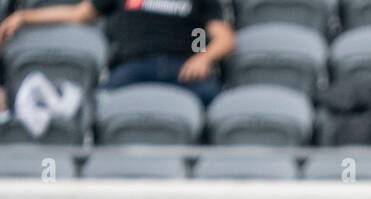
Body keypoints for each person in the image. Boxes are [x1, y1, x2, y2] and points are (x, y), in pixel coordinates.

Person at [0, 0, 235, 107]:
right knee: (99, 107)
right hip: (131, 68)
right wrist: (25, 17)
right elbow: (79, 13)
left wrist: (204, 57)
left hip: (182, 69)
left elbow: (225, 38)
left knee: (215, 101)